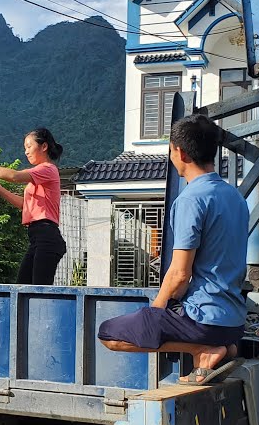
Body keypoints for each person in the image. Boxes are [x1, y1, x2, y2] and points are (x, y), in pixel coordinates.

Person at [96, 113, 248, 385]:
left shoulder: (191, 199)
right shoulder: (234, 196)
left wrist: (156, 309)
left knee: (109, 334)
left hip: (206, 320)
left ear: (179, 152)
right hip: (234, 321)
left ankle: (204, 349)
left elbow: (179, 274)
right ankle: (221, 349)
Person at [0, 128, 67, 285]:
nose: (26, 152)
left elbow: (15, 176)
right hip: (37, 236)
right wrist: (0, 190)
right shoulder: (39, 176)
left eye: (29, 146)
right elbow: (25, 206)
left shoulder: (48, 169)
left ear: (44, 147)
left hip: (47, 236)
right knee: (23, 286)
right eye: (25, 148)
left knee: (39, 291)